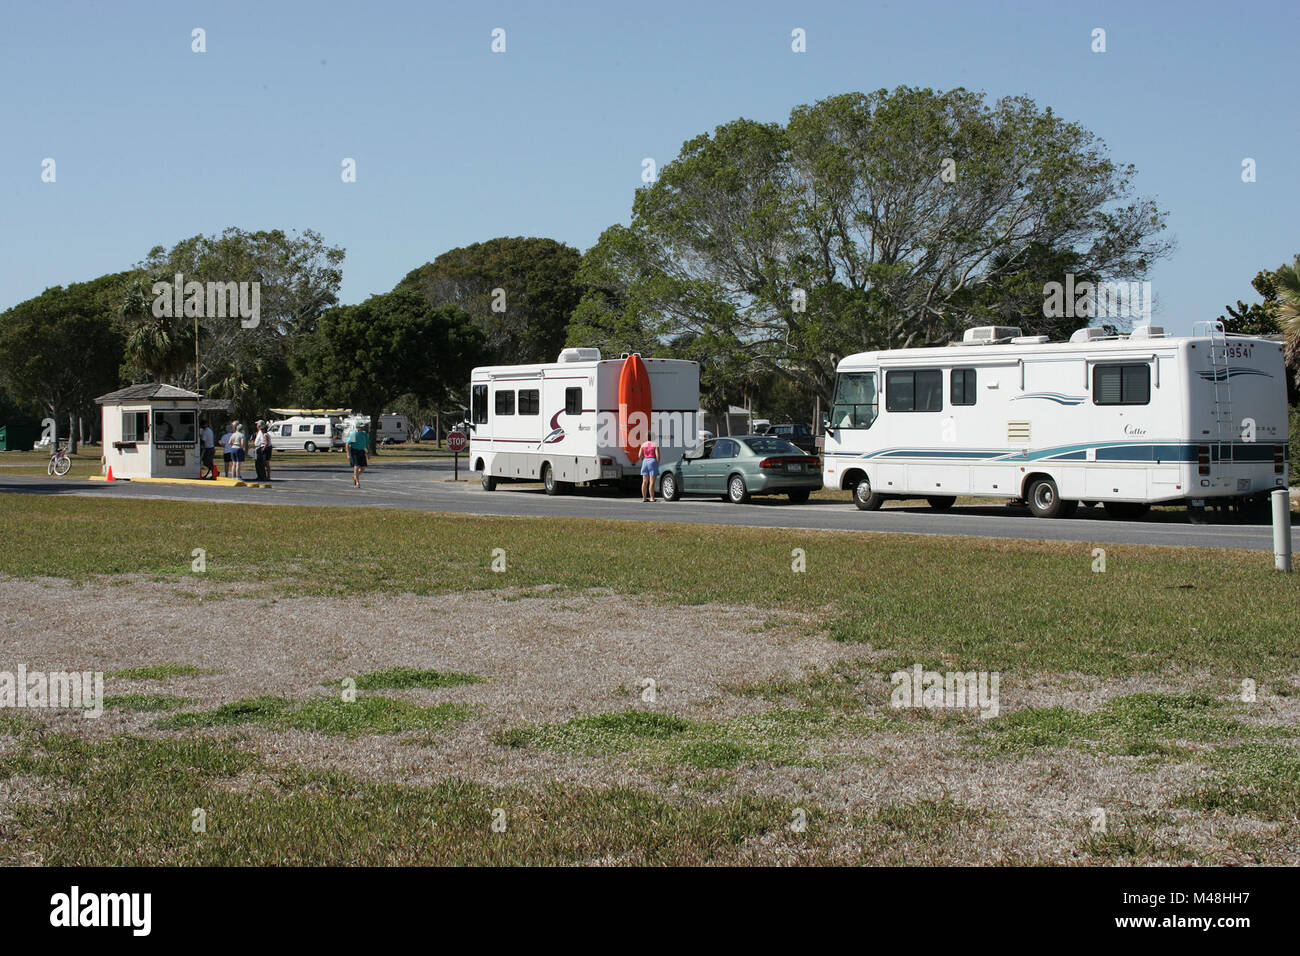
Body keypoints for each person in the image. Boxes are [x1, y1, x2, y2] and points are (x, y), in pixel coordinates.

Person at [344, 419, 368, 488]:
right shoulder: (353, 434)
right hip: (355, 451)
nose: (362, 428)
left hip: (362, 451)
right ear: (357, 427)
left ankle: (355, 476)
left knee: (363, 468)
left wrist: (368, 452)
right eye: (361, 427)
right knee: (356, 466)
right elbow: (347, 444)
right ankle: (357, 482)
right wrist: (348, 453)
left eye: (362, 427)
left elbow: (367, 443)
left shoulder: (364, 434)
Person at [637, 433, 659, 502]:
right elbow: (658, 456)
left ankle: (644, 498)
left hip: (645, 461)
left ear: (646, 437)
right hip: (652, 461)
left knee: (644, 481)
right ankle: (652, 498)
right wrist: (657, 463)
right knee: (651, 482)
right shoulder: (655, 445)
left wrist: (643, 459)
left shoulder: (643, 445)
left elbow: (639, 455)